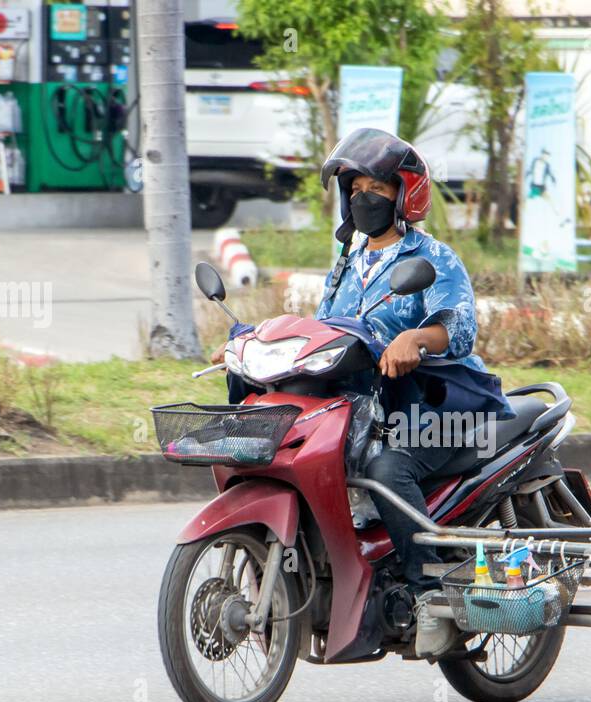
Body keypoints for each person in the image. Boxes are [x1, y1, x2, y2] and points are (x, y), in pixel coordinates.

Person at [212, 128, 511, 596]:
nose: (363, 199)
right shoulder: (347, 264)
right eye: (355, 190)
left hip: (430, 407)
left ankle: (426, 588)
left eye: (376, 189)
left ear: (403, 197)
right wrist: (250, 345)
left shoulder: (432, 257)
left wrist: (416, 338)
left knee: (387, 470)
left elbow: (460, 326)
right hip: (363, 407)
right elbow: (324, 333)